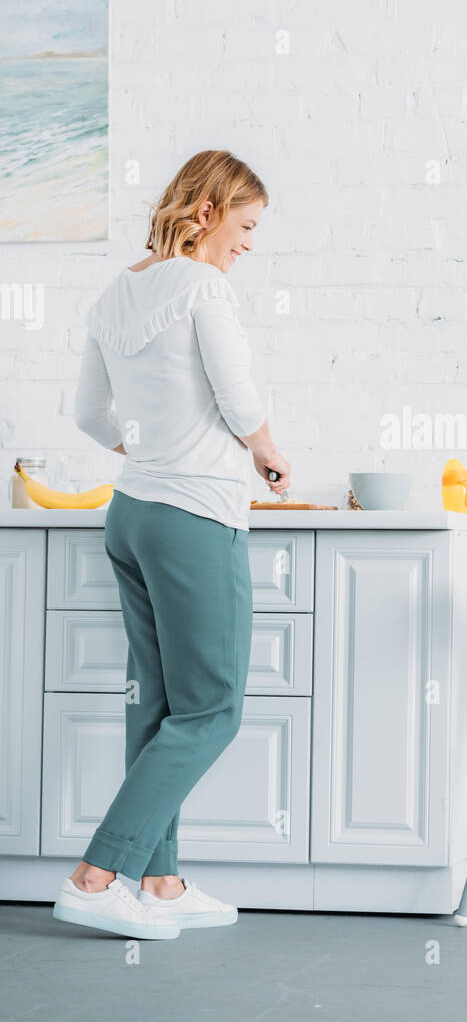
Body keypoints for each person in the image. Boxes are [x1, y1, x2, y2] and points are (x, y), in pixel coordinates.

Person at [52, 150, 292, 941]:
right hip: (195, 513)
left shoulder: (117, 292)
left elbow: (90, 413)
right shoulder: (203, 286)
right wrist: (265, 451)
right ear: (206, 212)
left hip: (132, 514)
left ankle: (160, 881)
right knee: (214, 708)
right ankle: (97, 875)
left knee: (155, 706)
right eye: (245, 225)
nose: (248, 244)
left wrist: (149, 451)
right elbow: (238, 395)